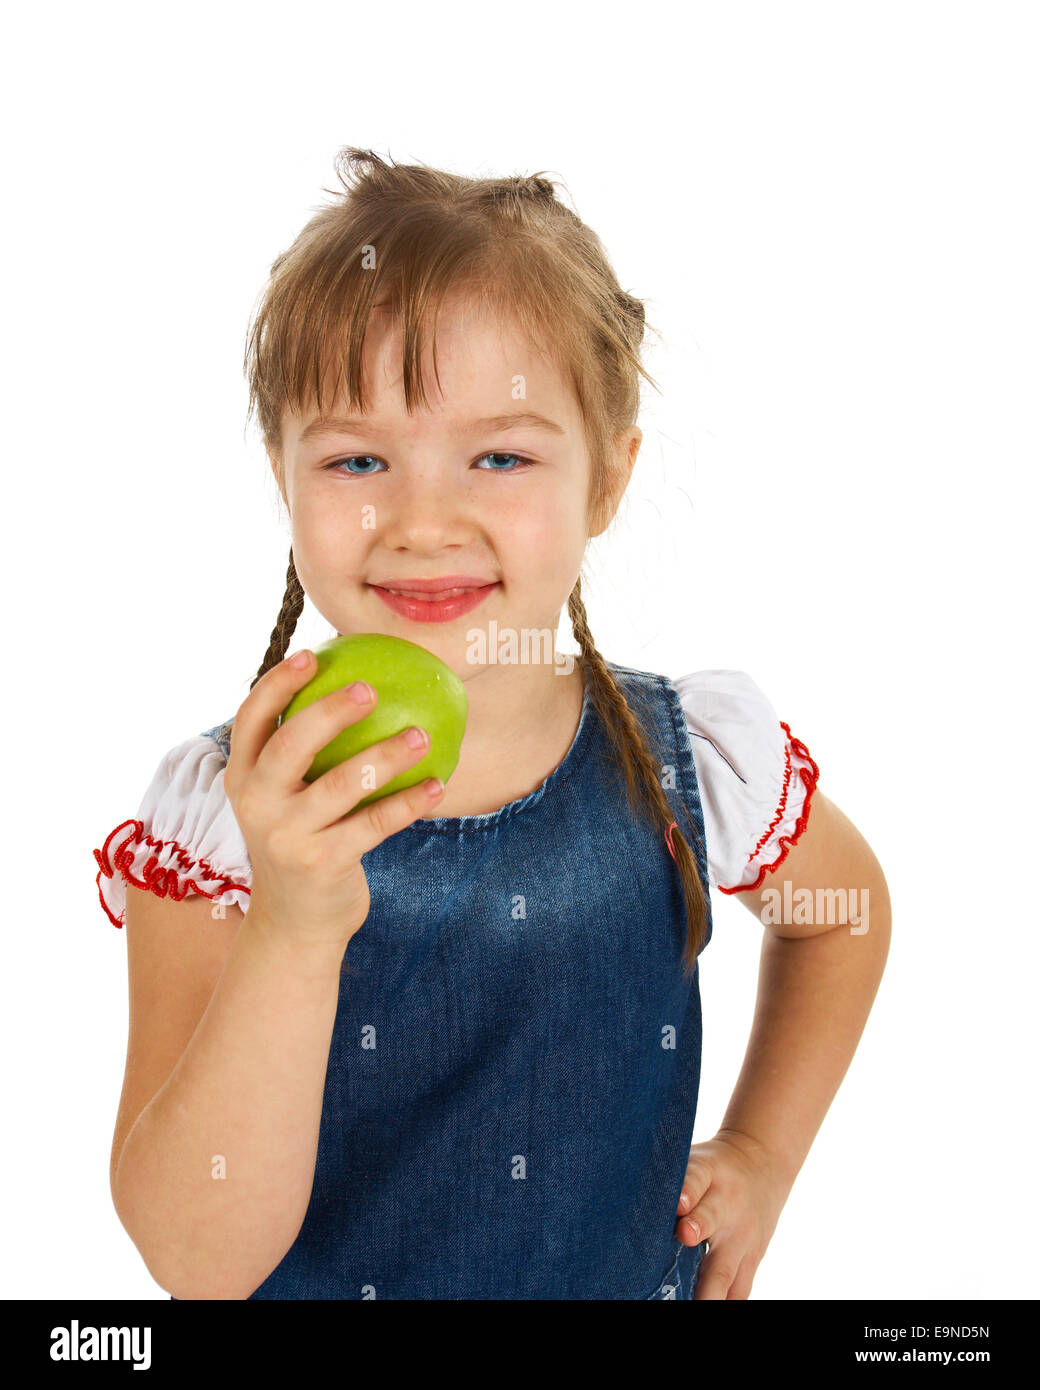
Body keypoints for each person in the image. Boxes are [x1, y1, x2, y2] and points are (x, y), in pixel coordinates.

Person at [93, 147, 890, 1301]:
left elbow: (841, 914)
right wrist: (295, 925)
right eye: (357, 457)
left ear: (605, 481)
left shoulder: (688, 764)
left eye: (500, 456)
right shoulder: (226, 818)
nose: (422, 520)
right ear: (283, 473)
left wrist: (763, 1152)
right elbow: (196, 1261)